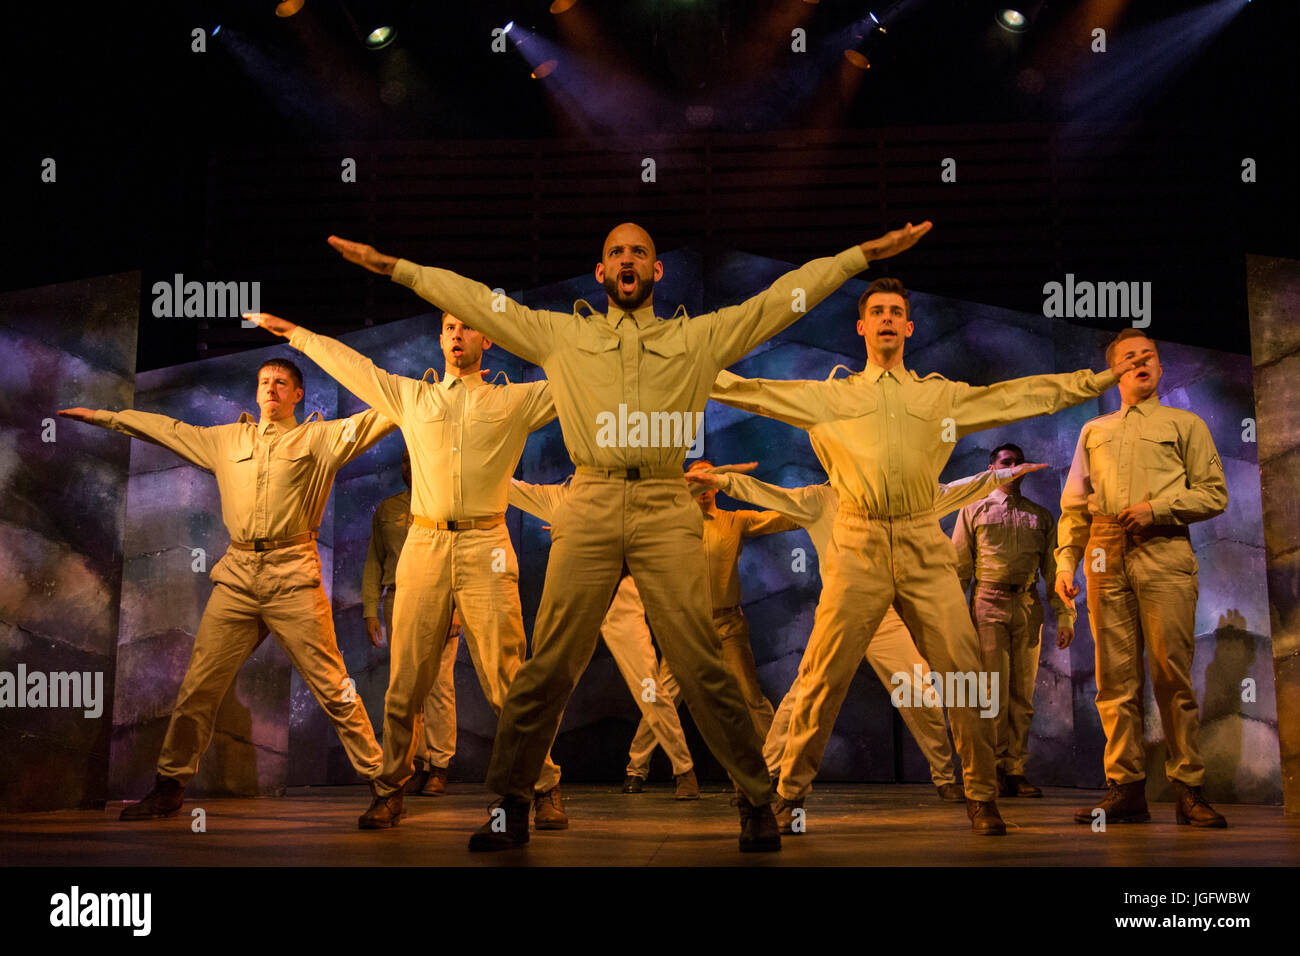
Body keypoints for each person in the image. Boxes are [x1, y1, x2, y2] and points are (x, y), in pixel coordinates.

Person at [323, 219, 932, 851]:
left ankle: (755, 799)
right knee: (549, 663)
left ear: (656, 270)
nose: (627, 259)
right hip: (589, 498)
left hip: (666, 500)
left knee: (700, 663)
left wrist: (857, 257)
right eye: (616, 252)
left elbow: (777, 302)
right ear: (602, 272)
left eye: (639, 251)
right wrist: (396, 268)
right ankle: (511, 803)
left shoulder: (695, 337)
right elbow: (478, 301)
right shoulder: (563, 335)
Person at [708, 277, 1152, 835]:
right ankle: (789, 794)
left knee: (964, 672)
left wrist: (1096, 379)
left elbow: (1015, 396)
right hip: (858, 538)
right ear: (863, 326)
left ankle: (982, 794)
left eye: (897, 311)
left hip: (921, 540)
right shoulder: (830, 396)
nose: (888, 318)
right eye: (878, 312)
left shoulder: (937, 396)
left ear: (909, 326)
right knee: (822, 678)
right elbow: (747, 391)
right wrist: (675, 363)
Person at [248, 310, 564, 831]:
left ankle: (542, 783)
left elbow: (580, 383)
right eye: (447, 327)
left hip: (486, 540)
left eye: (466, 326)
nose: (456, 334)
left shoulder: (515, 399)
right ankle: (391, 786)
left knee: (508, 679)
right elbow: (355, 368)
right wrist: (298, 335)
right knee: (405, 681)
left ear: (487, 337)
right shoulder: (413, 396)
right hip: (424, 541)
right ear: (440, 339)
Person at [58, 360, 393, 819]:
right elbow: (169, 429)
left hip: (292, 574)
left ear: (298, 394)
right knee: (199, 686)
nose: (270, 389)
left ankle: (385, 786)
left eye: (280, 383)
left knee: (334, 687)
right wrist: (107, 418)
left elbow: (380, 417)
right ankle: (170, 785)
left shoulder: (318, 439)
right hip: (236, 575)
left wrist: (428, 395)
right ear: (256, 393)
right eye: (263, 382)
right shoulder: (226, 440)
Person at [685, 456, 1046, 810]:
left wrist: (998, 476)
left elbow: (950, 492)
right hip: (841, 612)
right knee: (805, 695)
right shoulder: (819, 498)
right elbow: (771, 495)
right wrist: (724, 481)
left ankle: (945, 777)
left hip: (883, 613)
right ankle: (763, 780)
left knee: (918, 689)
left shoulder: (891, 498)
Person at [1056, 329, 1229, 828]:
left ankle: (1189, 788)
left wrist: (1159, 508)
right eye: (1129, 358)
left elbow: (1214, 494)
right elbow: (1073, 507)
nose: (1140, 363)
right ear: (1115, 372)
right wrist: (1066, 563)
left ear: (1160, 367)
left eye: (1149, 356)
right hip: (1104, 549)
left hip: (1163, 547)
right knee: (1114, 678)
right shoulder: (1095, 431)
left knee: (1172, 674)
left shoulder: (1185, 423)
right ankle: (1125, 788)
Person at [507, 478, 699, 800]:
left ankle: (683, 769)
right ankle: (533, 778)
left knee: (649, 687)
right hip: (578, 598)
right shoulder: (565, 498)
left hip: (621, 603)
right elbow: (509, 486)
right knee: (548, 683)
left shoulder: (628, 496)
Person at [952, 442, 1074, 799]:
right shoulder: (972, 510)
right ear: (992, 468)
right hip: (987, 601)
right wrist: (952, 620)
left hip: (1026, 603)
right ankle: (990, 770)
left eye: (1019, 462)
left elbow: (1054, 573)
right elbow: (959, 568)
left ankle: (1015, 769)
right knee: (993, 693)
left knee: (1022, 695)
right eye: (1007, 462)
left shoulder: (1040, 516)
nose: (1014, 467)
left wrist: (1065, 616)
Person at [362, 447, 461, 797]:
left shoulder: (447, 505)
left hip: (440, 599)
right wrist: (371, 609)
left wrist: (457, 608)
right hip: (398, 599)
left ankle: (440, 766)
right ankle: (413, 763)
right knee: (405, 685)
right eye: (403, 460)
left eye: (413, 459)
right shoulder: (388, 509)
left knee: (439, 687)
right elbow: (375, 560)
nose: (407, 466)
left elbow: (459, 559)